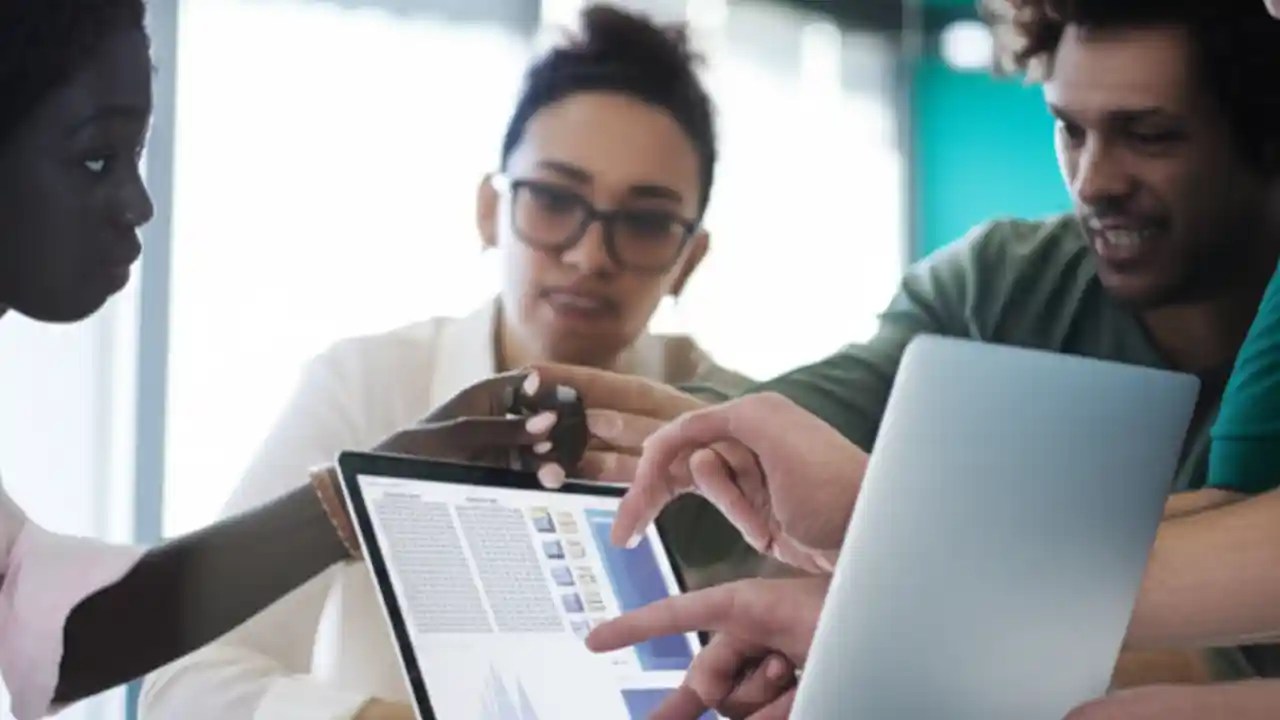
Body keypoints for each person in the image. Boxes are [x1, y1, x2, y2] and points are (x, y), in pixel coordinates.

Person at [137, 7, 757, 720]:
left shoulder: (733, 430)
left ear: (690, 258)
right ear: (491, 211)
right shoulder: (368, 388)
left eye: (645, 221)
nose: (590, 255)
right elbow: (183, 684)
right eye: (554, 200)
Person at [0, 3, 570, 720]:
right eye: (95, 158)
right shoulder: (366, 372)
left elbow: (69, 632)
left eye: (136, 157)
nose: (139, 204)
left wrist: (368, 489)